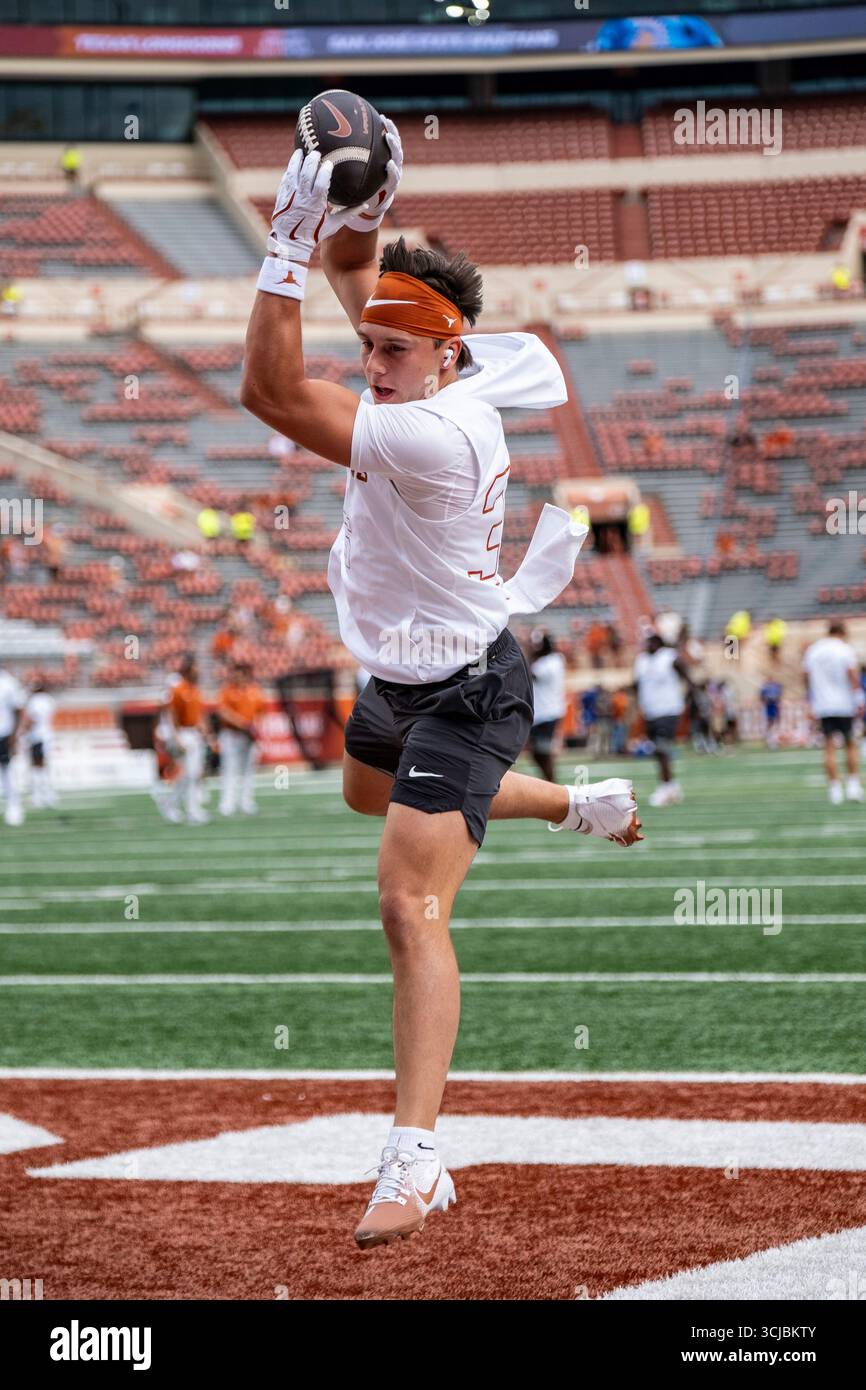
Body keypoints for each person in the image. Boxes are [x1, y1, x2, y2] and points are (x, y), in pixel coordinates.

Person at [240, 128, 643, 1250]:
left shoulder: (432, 433)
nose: (370, 364)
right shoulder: (460, 357)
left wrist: (287, 235)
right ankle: (571, 803)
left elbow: (266, 388)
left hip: (467, 683)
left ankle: (417, 1156)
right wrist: (364, 212)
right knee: (368, 799)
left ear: (445, 361)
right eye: (365, 348)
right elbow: (376, 295)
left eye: (388, 356)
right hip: (400, 669)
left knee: (407, 906)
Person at [802, 620, 863, 803]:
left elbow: (805, 675)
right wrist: (859, 697)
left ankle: (834, 790)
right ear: (842, 633)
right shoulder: (844, 649)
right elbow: (852, 674)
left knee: (829, 747)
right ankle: (852, 787)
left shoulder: (814, 650)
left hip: (823, 704)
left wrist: (811, 699)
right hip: (844, 704)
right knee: (850, 744)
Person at [633, 630, 693, 806]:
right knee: (657, 750)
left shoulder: (668, 656)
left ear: (659, 643)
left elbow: (686, 674)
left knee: (661, 747)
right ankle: (672, 786)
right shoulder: (641, 661)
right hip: (651, 711)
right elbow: (636, 685)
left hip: (668, 708)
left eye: (651, 642)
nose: (647, 646)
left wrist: (690, 695)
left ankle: (665, 787)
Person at [160, 655, 211, 824]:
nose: (199, 670)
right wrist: (176, 738)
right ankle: (191, 810)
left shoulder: (195, 689)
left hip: (194, 733)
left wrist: (205, 731)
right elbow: (171, 715)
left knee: (192, 774)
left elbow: (199, 714)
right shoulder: (179, 689)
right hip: (183, 733)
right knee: (190, 773)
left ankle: (172, 804)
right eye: (196, 667)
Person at [217, 660, 266, 816]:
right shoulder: (227, 690)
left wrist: (256, 728)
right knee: (230, 769)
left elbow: (261, 712)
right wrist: (243, 724)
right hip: (231, 734)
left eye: (239, 674)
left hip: (249, 736)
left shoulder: (254, 691)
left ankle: (246, 801)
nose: (236, 677)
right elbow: (223, 711)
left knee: (248, 770)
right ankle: (228, 803)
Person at [526, 629, 567, 782]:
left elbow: (532, 675)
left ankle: (552, 783)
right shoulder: (550, 660)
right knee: (536, 752)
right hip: (541, 713)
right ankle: (549, 781)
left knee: (542, 751)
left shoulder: (552, 661)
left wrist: (528, 655)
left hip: (547, 712)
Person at [22, 680, 57, 809]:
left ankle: (38, 796)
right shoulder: (49, 699)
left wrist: (23, 732)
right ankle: (48, 794)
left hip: (36, 736)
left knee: (36, 766)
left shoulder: (35, 701)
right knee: (44, 766)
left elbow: (32, 719)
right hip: (47, 734)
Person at [0, 663, 26, 826]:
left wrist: (15, 735)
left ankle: (13, 806)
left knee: (7, 770)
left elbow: (19, 710)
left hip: (4, 733)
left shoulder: (8, 683)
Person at [760, 678, 783, 750]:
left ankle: (773, 740)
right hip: (769, 707)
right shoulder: (765, 688)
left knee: (774, 723)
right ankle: (769, 740)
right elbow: (762, 697)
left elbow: (778, 696)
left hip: (773, 706)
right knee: (770, 723)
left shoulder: (775, 687)